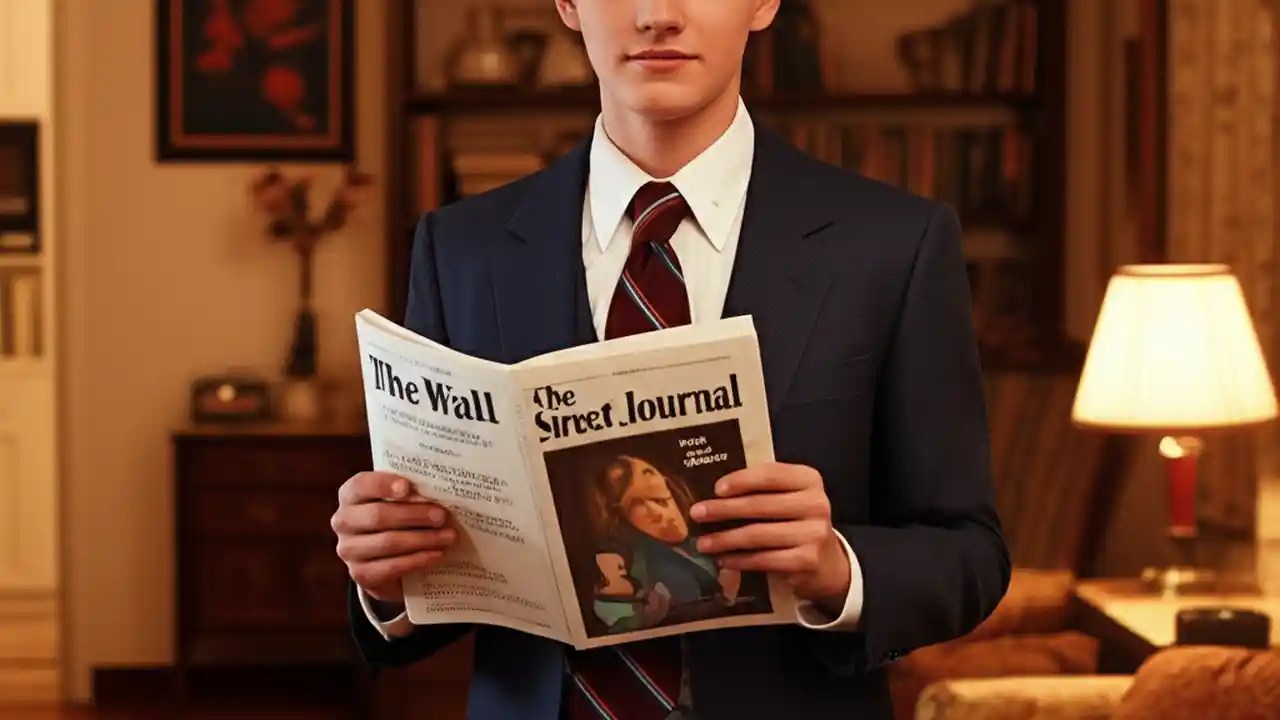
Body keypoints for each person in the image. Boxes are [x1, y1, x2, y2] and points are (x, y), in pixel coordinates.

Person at [329, 1, 1010, 718]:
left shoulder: (895, 244)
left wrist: (834, 566)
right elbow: (420, 593)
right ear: (567, 4)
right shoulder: (460, 249)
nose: (658, 15)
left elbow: (968, 552)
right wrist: (385, 578)